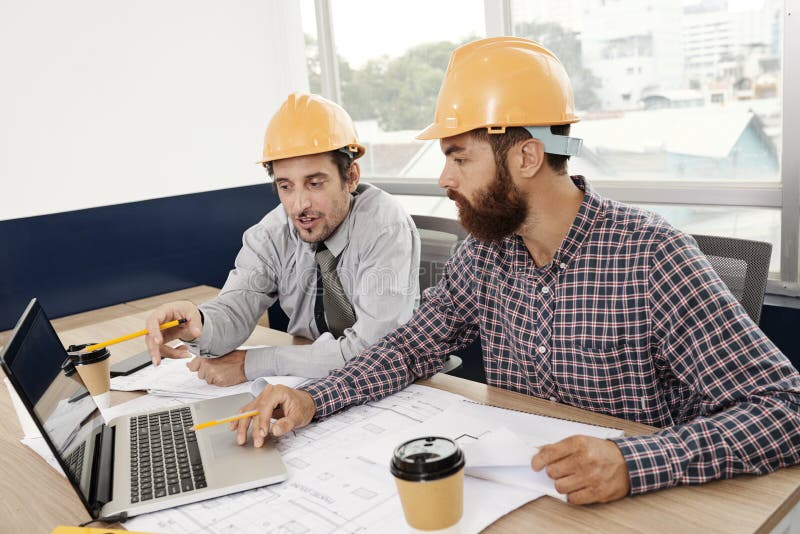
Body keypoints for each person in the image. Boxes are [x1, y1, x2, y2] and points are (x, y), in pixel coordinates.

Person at [231, 37, 800, 505]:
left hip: (641, 507)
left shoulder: (652, 257)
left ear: (526, 157)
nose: (444, 179)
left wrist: (635, 461)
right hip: (524, 500)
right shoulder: (487, 253)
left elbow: (785, 408)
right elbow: (409, 349)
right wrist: (317, 398)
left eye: (459, 157)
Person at [144, 92, 420, 384]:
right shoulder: (271, 234)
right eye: (286, 186)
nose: (299, 205)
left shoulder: (383, 226)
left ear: (351, 177)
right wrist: (198, 323)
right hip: (308, 379)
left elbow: (375, 352)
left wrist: (255, 363)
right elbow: (236, 307)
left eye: (314, 183)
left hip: (391, 382)